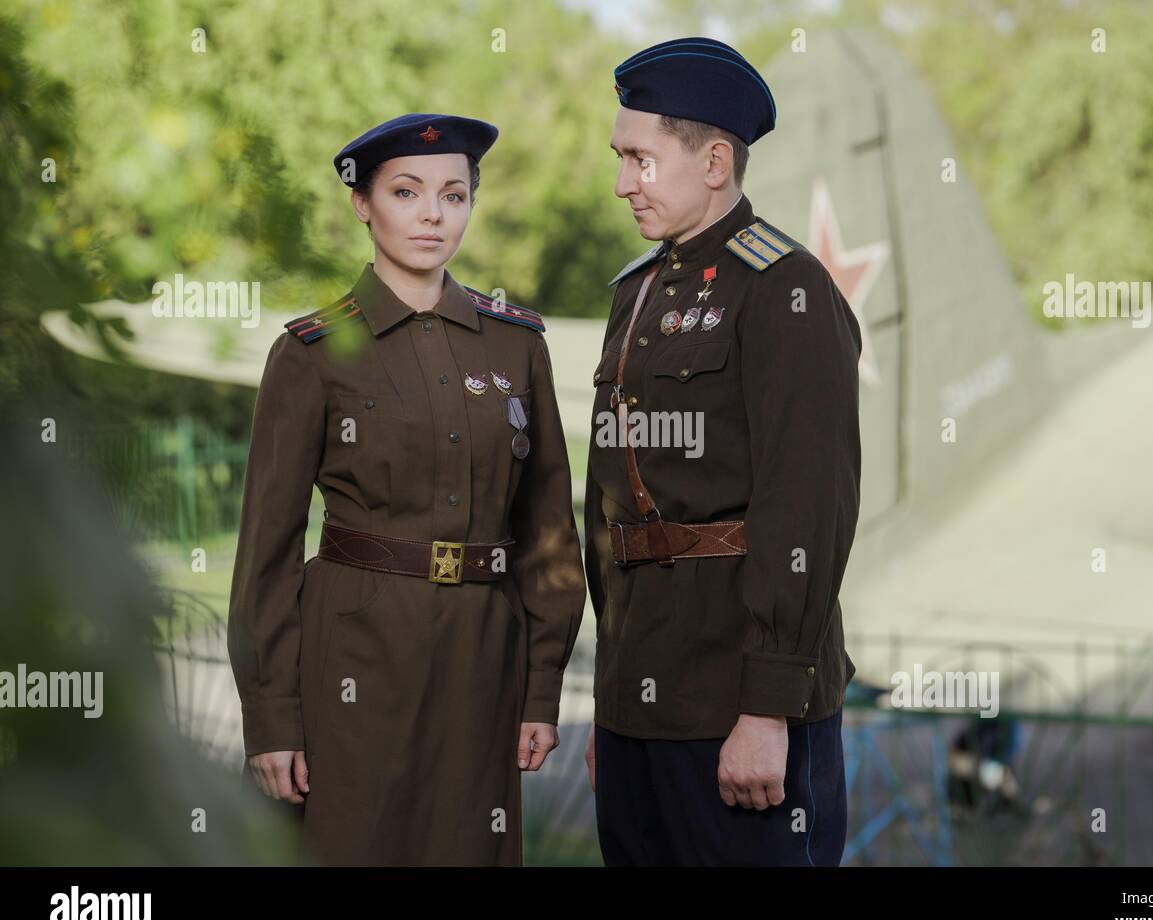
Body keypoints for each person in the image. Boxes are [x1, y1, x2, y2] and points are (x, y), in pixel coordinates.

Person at [226, 112, 586, 865]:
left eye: (454, 195)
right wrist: (271, 718)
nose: (432, 214)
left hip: (482, 659)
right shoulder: (313, 353)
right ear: (363, 204)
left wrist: (541, 688)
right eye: (406, 191)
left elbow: (550, 530)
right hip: (355, 655)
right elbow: (266, 550)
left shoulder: (518, 344)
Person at [583, 38, 862, 865]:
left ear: (713, 162)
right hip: (642, 702)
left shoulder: (786, 290)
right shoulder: (636, 292)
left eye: (640, 158)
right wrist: (614, 709)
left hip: (739, 704)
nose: (623, 181)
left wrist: (768, 709)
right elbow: (614, 512)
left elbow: (807, 503)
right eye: (620, 158)